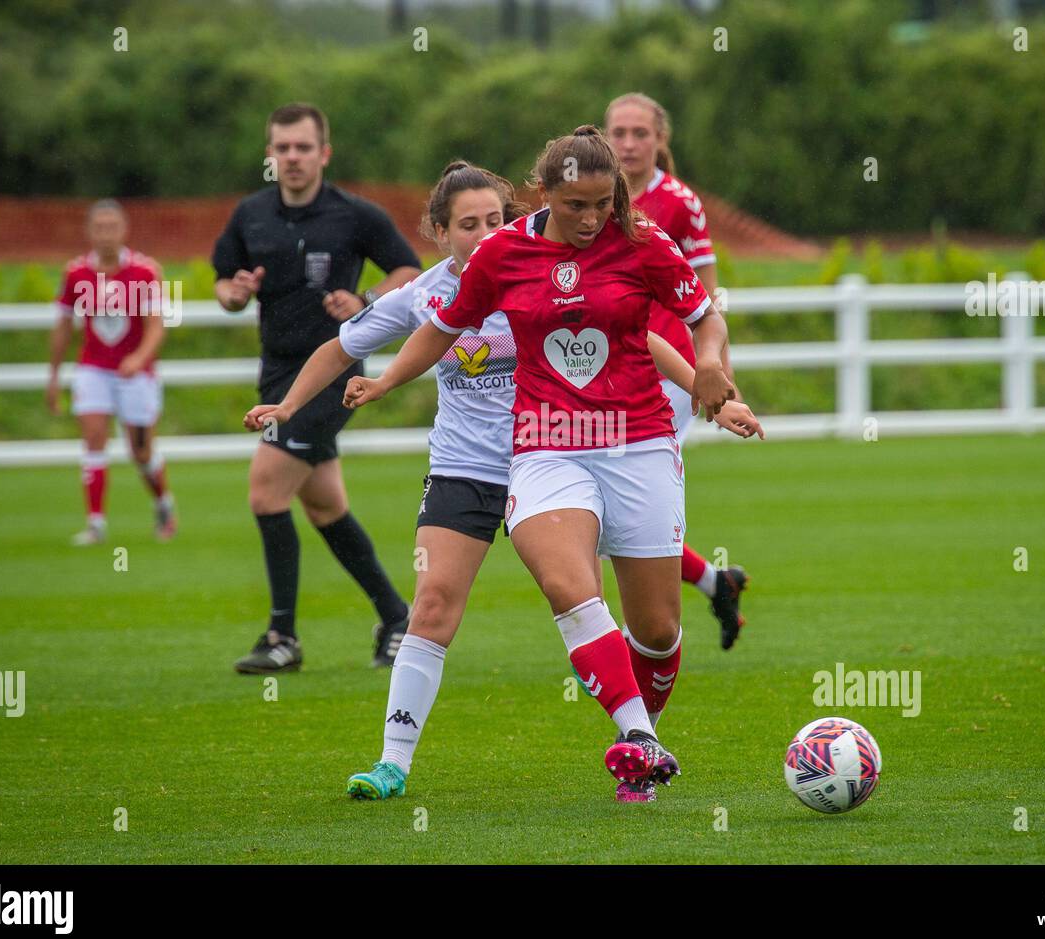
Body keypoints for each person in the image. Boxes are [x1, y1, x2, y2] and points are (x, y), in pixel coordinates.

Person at [244, 160, 763, 801]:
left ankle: (642, 731)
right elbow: (358, 346)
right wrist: (300, 404)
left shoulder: (541, 266)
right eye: (468, 224)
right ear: (439, 232)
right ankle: (392, 762)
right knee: (436, 604)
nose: (485, 232)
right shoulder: (435, 291)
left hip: (572, 450)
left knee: (650, 625)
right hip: (482, 467)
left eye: (495, 218)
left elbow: (637, 340)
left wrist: (714, 394)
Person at [212, 102, 423, 673]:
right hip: (276, 371)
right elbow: (225, 289)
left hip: (332, 375)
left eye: (303, 147)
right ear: (269, 154)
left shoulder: (355, 216)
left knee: (265, 490)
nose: (293, 157)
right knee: (326, 506)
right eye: (282, 148)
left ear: (324, 153)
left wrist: (366, 302)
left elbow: (409, 272)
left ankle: (282, 636)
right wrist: (235, 292)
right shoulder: (250, 216)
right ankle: (396, 616)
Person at [606, 91, 751, 650]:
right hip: (608, 367)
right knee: (607, 501)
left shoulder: (679, 202)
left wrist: (718, 375)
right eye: (618, 132)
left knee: (627, 499)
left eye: (640, 133)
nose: (628, 143)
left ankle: (631, 635)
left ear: (659, 139)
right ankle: (717, 583)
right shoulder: (592, 201)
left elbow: (709, 297)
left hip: (668, 374)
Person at [47, 199, 175, 546]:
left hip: (136, 374)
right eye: (99, 228)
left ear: (124, 230)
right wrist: (54, 376)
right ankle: (96, 523)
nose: (105, 235)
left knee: (141, 452)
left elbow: (157, 327)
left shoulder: (145, 272)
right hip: (93, 368)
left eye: (112, 227)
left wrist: (139, 358)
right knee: (93, 437)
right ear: (89, 232)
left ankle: (163, 502)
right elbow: (62, 326)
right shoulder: (75, 274)